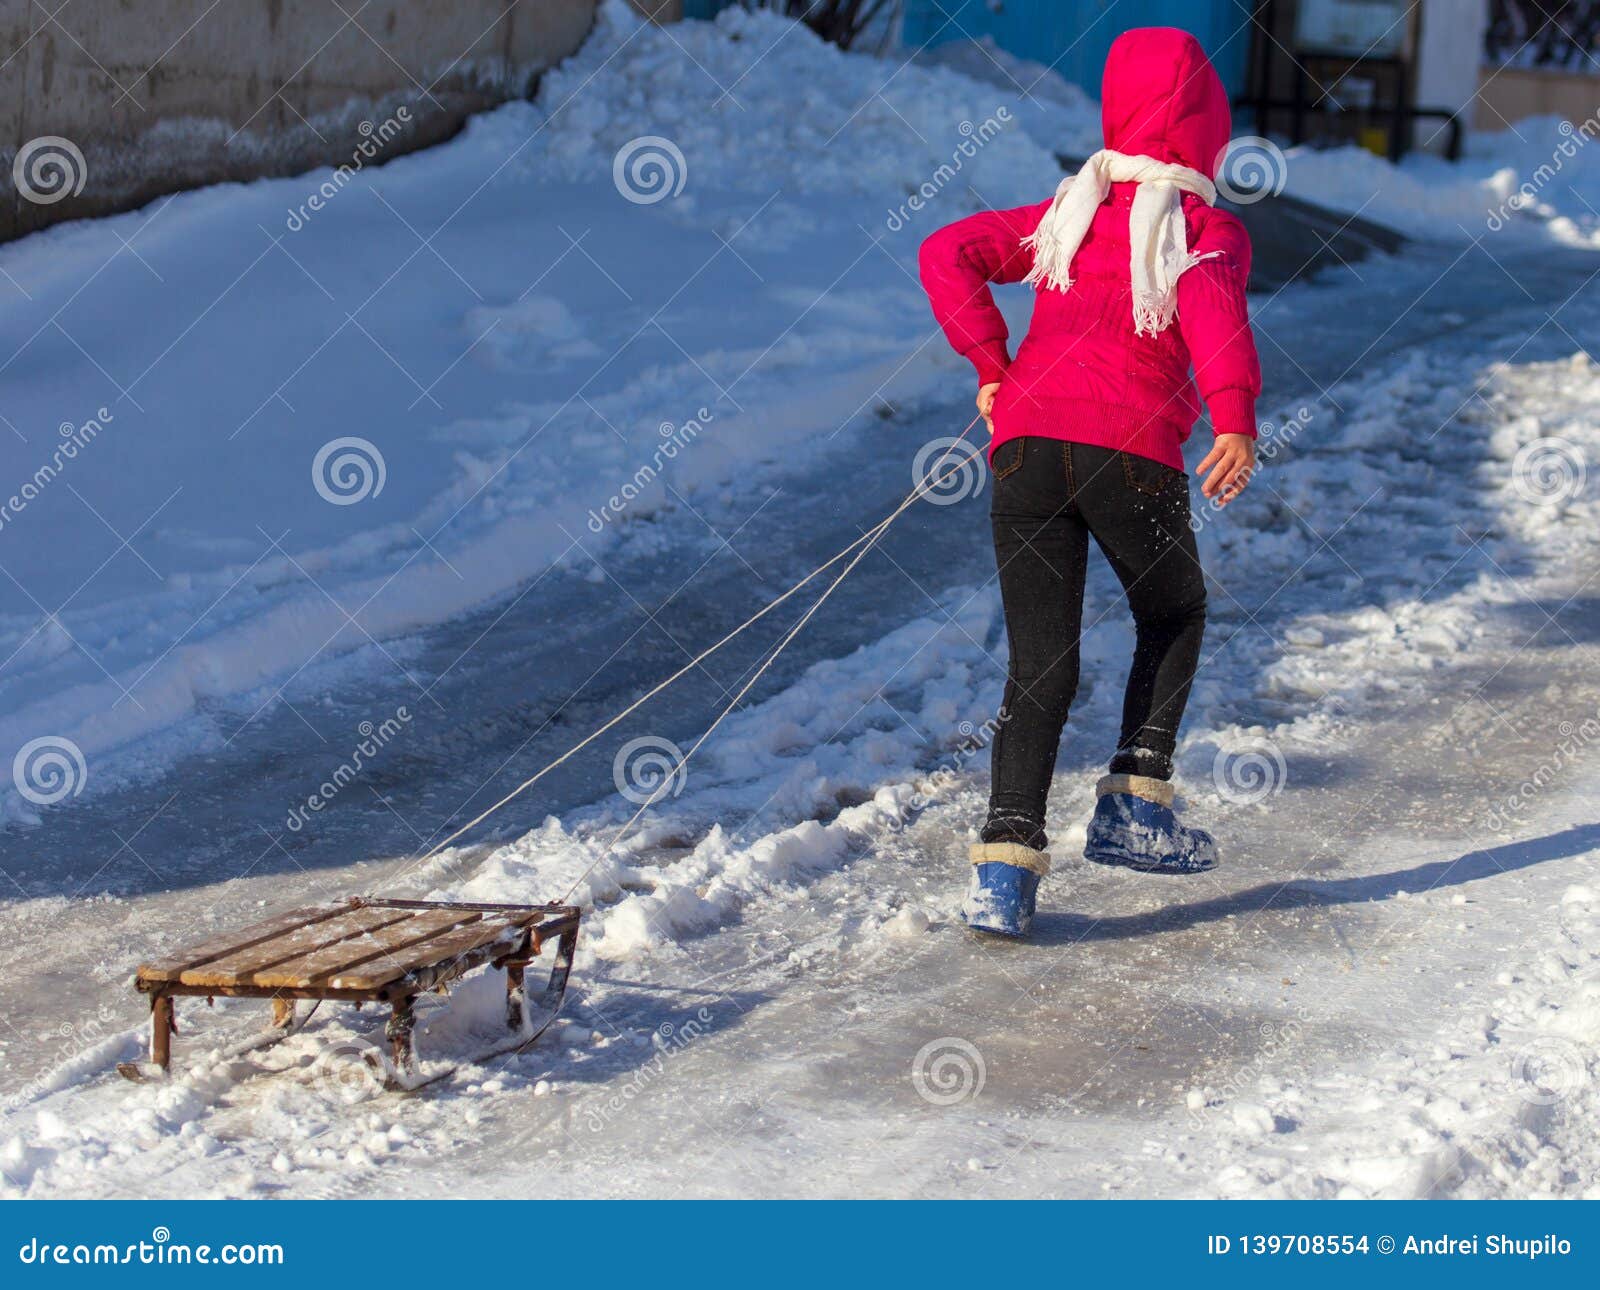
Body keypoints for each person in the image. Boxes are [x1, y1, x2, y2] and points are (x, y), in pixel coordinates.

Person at [917, 27, 1262, 937]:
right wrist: (1233, 417)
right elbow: (1213, 310)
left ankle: (1003, 877)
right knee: (1175, 611)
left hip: (1025, 451)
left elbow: (946, 251)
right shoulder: (1203, 226)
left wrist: (990, 364)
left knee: (1040, 665)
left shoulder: (1067, 211)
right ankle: (1135, 806)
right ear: (1207, 127)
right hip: (1131, 455)